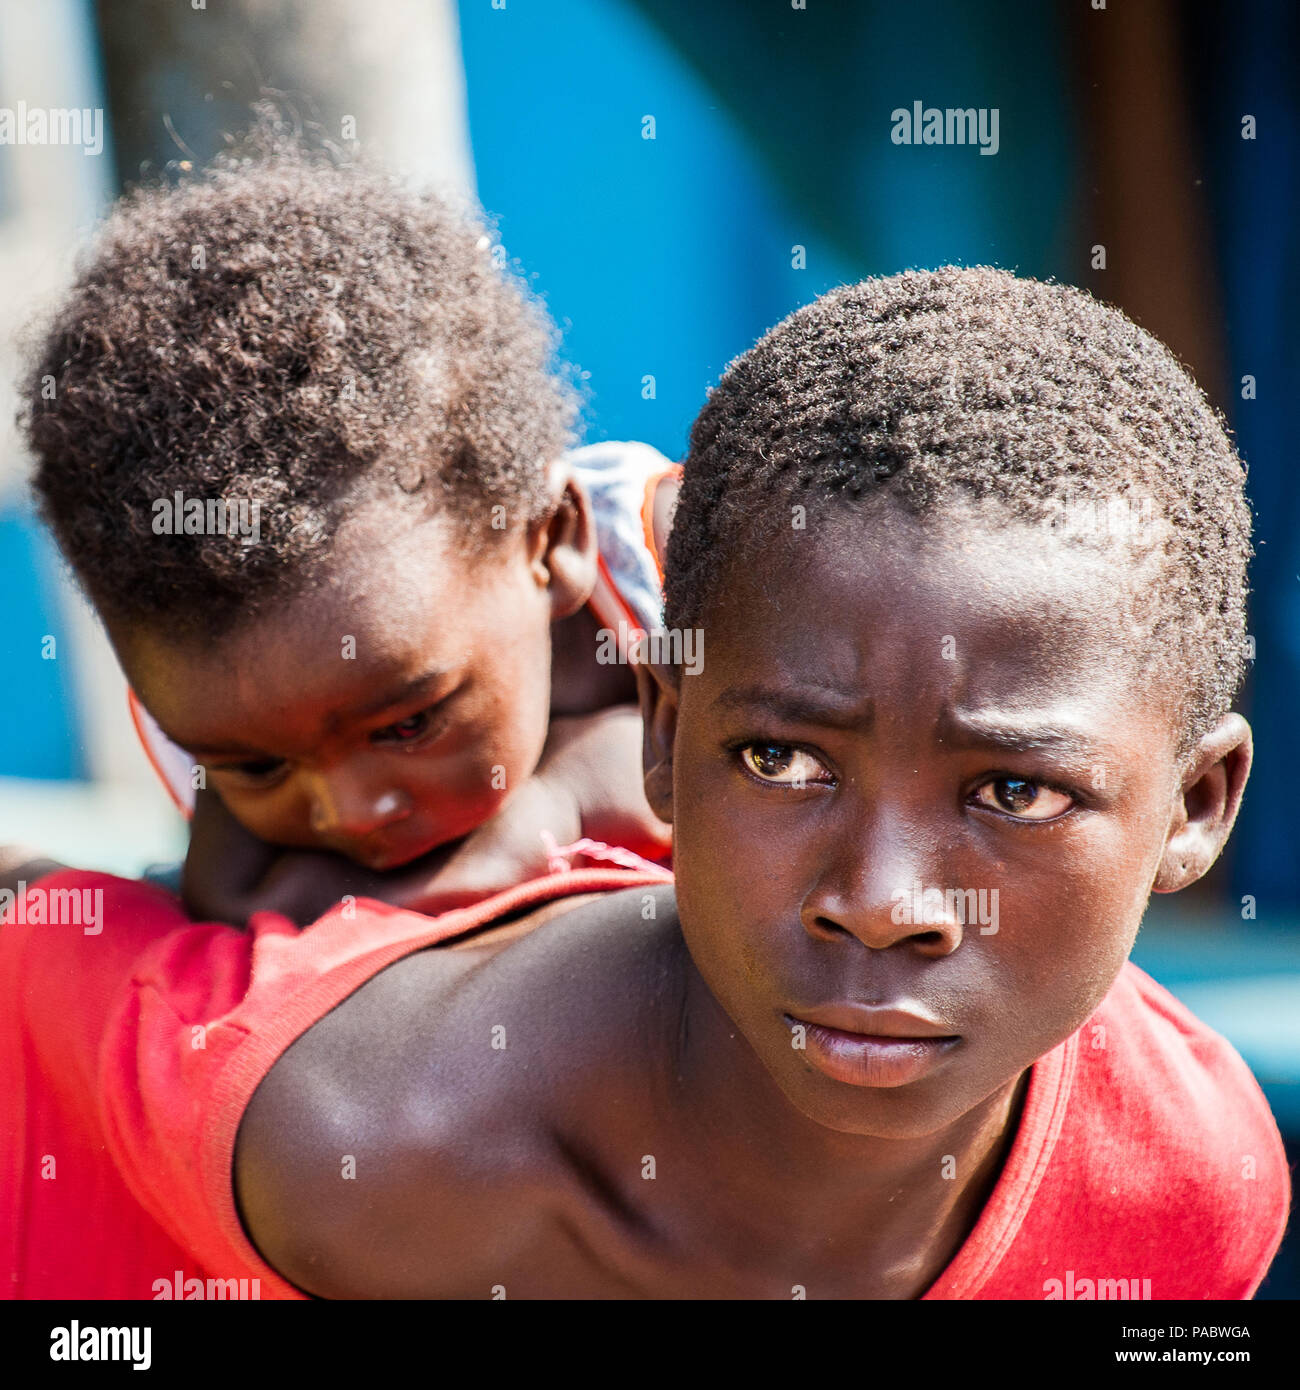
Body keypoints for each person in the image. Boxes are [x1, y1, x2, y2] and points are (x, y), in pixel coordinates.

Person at [3, 267, 1287, 1298]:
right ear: (664, 736)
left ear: (1195, 805)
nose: (884, 902)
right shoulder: (350, 1145)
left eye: (1014, 792)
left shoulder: (1187, 1190)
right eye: (781, 760)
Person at [6, 120, 676, 928]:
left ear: (550, 538)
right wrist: (552, 814)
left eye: (408, 723)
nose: (351, 812)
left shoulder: (698, 571)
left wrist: (585, 798)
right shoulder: (230, 704)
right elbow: (234, 899)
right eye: (257, 767)